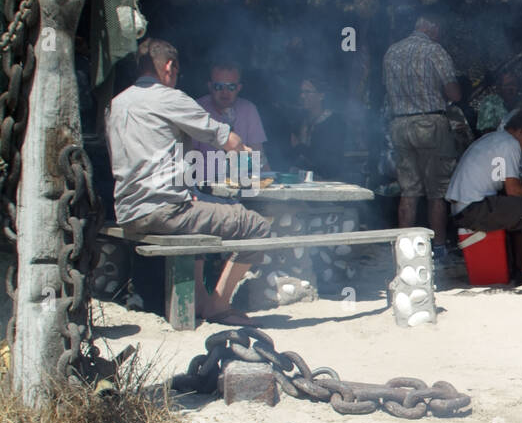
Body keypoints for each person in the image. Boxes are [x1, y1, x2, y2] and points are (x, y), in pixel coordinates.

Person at [107, 39, 271, 325]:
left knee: (199, 209)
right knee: (256, 226)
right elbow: (228, 139)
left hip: (128, 212)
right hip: (165, 211)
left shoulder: (116, 103)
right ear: (169, 66)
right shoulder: (170, 98)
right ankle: (218, 305)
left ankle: (202, 301)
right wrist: (241, 149)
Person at [446, 109, 522, 285]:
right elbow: (513, 189)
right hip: (474, 209)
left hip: (463, 207)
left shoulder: (494, 138)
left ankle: (519, 265)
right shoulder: (510, 144)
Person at [384, 11, 461, 258]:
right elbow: (454, 93)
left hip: (399, 125)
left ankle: (404, 250)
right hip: (430, 123)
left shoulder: (391, 52)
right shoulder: (434, 51)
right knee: (436, 191)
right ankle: (438, 248)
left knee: (409, 190)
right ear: (432, 27)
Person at [197, 61, 267, 174]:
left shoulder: (248, 109)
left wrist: (271, 181)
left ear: (239, 88)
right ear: (210, 87)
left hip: (242, 181)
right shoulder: (198, 109)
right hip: (204, 181)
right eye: (219, 86)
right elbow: (188, 156)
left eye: (231, 87)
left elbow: (259, 156)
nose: (225, 92)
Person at [287, 75, 346, 181]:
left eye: (307, 92)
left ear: (321, 96)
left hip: (327, 182)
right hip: (301, 180)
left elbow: (327, 160)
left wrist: (300, 146)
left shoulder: (334, 122)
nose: (302, 96)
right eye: (302, 92)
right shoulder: (300, 120)